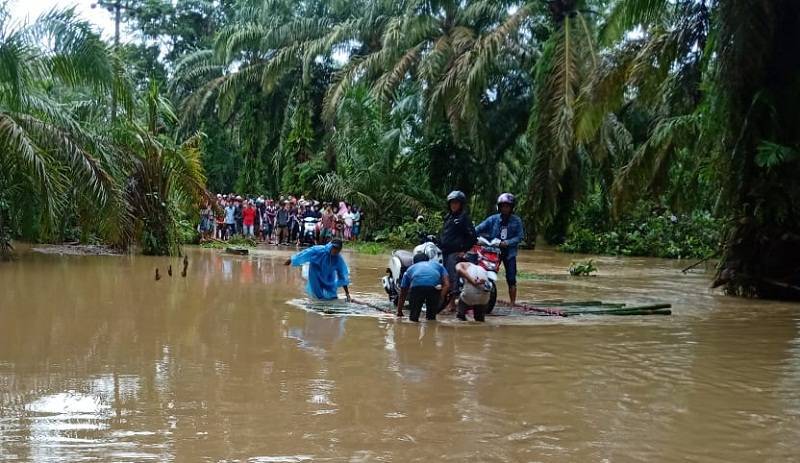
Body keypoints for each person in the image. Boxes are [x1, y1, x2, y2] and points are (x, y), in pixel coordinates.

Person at [475, 193, 525, 306]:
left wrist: (507, 243)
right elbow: (478, 228)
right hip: (493, 252)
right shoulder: (493, 219)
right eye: (503, 206)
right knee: (485, 272)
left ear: (512, 208)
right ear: (499, 207)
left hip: (509, 253)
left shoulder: (516, 221)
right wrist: (472, 235)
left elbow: (520, 237)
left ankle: (513, 303)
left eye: (508, 206)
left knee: (511, 278)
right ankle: (483, 298)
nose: (505, 208)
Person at [439, 190, 476, 311]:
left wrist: (464, 250)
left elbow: (472, 237)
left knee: (451, 273)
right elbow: (445, 234)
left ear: (461, 204)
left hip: (455, 252)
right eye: (452, 203)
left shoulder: (463, 218)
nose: (453, 205)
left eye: (456, 203)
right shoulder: (448, 217)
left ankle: (452, 302)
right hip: (444, 250)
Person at [284, 239, 351, 301]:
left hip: (328, 275)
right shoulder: (319, 250)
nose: (335, 250)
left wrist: (347, 294)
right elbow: (305, 253)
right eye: (334, 248)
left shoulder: (338, 259)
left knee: (332, 294)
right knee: (318, 295)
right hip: (315, 272)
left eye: (338, 249)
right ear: (331, 246)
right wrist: (291, 259)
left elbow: (343, 276)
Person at [395, 253, 449, 322]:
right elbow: (447, 284)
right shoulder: (438, 265)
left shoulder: (410, 269)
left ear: (414, 262)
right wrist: (440, 297)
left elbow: (403, 293)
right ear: (428, 260)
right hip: (434, 289)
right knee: (431, 319)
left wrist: (399, 311)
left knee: (413, 319)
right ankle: (431, 328)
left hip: (417, 289)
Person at [455, 254, 491, 322]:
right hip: (485, 296)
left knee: (460, 317)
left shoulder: (461, 264)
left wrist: (472, 281)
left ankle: (461, 328)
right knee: (480, 319)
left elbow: (459, 269)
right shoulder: (480, 268)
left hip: (470, 294)